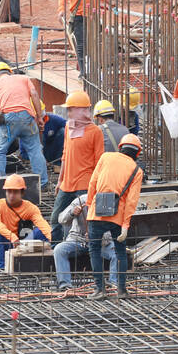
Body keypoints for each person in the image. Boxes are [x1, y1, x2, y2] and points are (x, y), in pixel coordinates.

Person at [86, 133, 145, 298]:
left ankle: (99, 290)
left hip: (96, 213)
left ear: (120, 147)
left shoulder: (106, 157)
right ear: (137, 153)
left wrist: (90, 205)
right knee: (120, 252)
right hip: (118, 216)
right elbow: (131, 201)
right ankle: (121, 290)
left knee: (94, 250)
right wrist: (125, 225)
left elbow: (93, 182)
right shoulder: (136, 170)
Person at [0, 61, 48, 188]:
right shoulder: (24, 78)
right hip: (27, 116)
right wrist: (39, 117)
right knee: (35, 149)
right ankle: (42, 183)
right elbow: (34, 94)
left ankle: (0, 182)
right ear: (9, 72)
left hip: (9, 119)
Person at [51, 90, 104, 243]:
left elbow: (99, 162)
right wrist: (60, 181)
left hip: (85, 185)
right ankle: (55, 248)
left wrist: (96, 187)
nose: (67, 112)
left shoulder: (95, 131)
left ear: (82, 110)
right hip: (67, 184)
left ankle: (88, 249)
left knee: (85, 222)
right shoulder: (69, 127)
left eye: (70, 109)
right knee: (56, 218)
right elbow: (65, 155)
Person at [0, 173, 51, 271]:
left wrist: (52, 239)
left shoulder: (30, 207)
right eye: (9, 191)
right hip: (8, 242)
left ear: (22, 193)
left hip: (24, 243)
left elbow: (42, 224)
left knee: (41, 232)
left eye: (15, 192)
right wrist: (12, 237)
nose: (11, 195)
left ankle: (38, 263)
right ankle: (1, 268)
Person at [53, 194, 90, 291]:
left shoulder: (108, 202)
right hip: (77, 241)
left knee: (115, 252)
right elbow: (61, 219)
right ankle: (65, 286)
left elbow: (113, 228)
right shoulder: (81, 200)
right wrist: (72, 213)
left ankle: (113, 284)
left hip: (100, 243)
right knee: (59, 250)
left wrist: (98, 236)